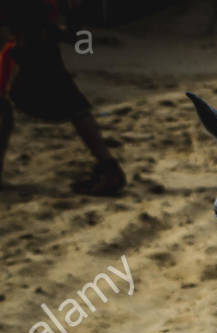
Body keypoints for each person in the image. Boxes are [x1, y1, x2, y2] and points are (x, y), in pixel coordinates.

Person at [0, 0, 125, 195]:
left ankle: (108, 168)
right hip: (33, 37)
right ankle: (108, 167)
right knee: (72, 105)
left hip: (33, 40)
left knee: (72, 105)